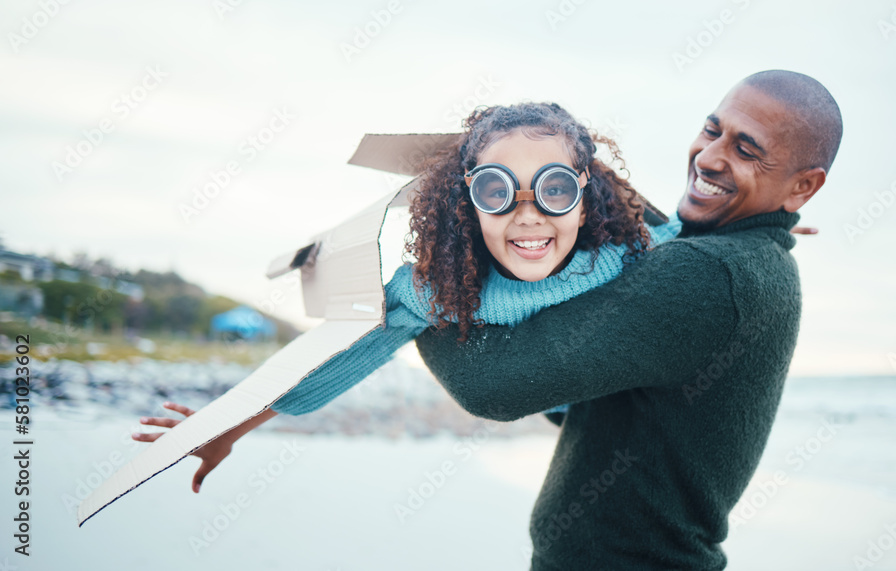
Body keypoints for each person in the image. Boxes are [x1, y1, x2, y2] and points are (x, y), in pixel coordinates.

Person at [413, 70, 843, 570]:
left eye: (747, 151)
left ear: (804, 187)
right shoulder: (747, 262)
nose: (708, 157)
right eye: (711, 130)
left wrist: (405, 301)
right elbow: (574, 402)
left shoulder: (712, 273)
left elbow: (492, 384)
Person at [133, 101, 683, 492]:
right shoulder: (435, 291)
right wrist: (227, 430)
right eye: (496, 190)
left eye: (554, 188)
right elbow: (335, 356)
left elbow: (689, 238)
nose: (528, 213)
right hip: (559, 408)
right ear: (467, 202)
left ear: (585, 199)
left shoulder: (629, 255)